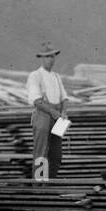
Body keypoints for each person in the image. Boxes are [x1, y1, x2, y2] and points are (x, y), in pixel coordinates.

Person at [26, 42, 69, 178]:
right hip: (43, 116)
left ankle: (51, 182)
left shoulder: (56, 77)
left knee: (56, 154)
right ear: (42, 58)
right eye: (47, 57)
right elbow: (37, 100)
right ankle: (40, 184)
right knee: (41, 152)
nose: (51, 60)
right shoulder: (35, 75)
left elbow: (64, 98)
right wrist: (53, 112)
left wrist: (63, 112)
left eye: (52, 57)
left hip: (57, 118)